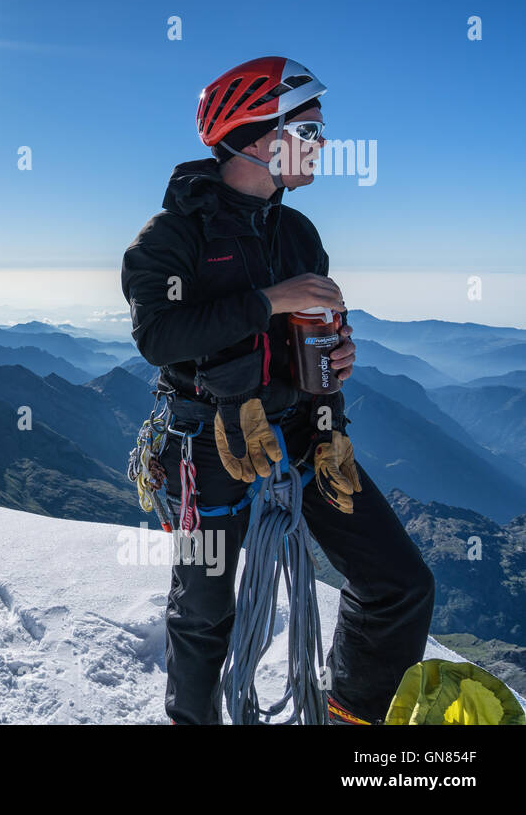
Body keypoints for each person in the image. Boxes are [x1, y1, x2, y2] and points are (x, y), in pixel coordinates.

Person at [120, 56, 435, 725]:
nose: (324, 146)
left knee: (399, 582)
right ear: (262, 136)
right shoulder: (171, 238)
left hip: (300, 430)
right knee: (206, 611)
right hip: (206, 440)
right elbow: (160, 334)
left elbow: (305, 333)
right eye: (312, 131)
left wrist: (333, 377)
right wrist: (272, 299)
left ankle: (351, 719)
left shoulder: (297, 234)